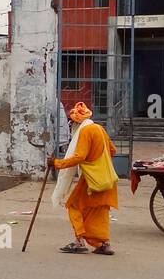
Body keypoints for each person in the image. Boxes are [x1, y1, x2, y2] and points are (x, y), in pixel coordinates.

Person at [48, 101, 119, 255]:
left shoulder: (85, 131)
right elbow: (112, 150)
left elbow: (79, 156)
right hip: (108, 178)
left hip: (92, 181)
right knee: (100, 212)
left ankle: (79, 241)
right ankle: (104, 244)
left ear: (76, 122)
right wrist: (99, 162)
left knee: (73, 205)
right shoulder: (99, 128)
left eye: (72, 122)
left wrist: (57, 163)